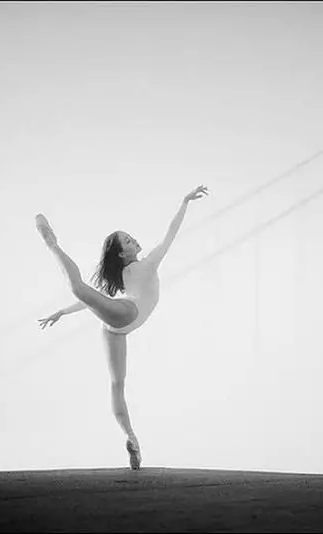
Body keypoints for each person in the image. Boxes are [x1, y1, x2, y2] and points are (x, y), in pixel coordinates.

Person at [35, 185, 209, 470]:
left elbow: (102, 303)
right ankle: (51, 242)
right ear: (121, 254)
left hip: (117, 326)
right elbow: (171, 233)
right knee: (79, 289)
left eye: (130, 237)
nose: (133, 240)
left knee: (117, 384)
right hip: (127, 315)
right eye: (127, 241)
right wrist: (184, 203)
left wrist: (63, 312)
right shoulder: (149, 264)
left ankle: (132, 439)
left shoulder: (132, 273)